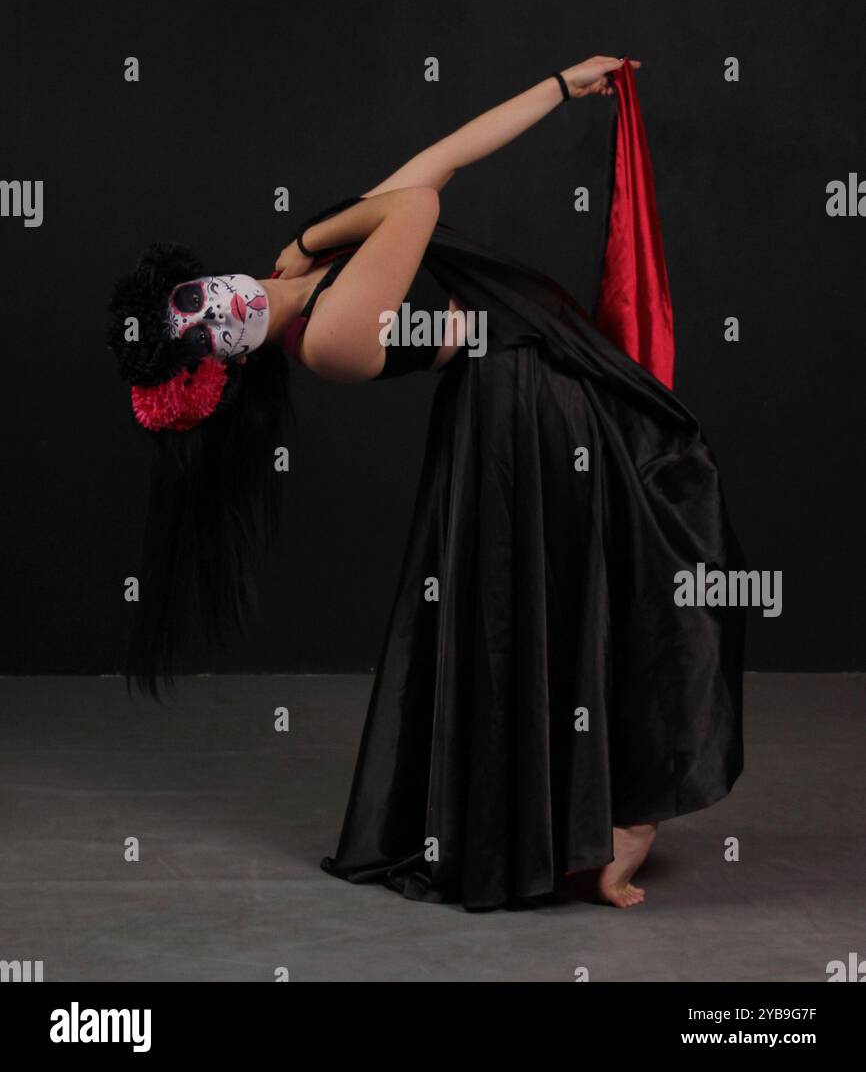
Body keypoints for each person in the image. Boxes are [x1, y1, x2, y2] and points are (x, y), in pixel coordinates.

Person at [107, 54, 746, 912]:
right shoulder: (329, 334)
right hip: (530, 404)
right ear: (225, 365)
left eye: (198, 296)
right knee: (651, 562)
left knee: (617, 575)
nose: (222, 304)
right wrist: (304, 241)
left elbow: (440, 159)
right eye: (209, 331)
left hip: (535, 380)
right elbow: (416, 205)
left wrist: (562, 87)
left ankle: (600, 820)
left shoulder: (306, 270)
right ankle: (620, 825)